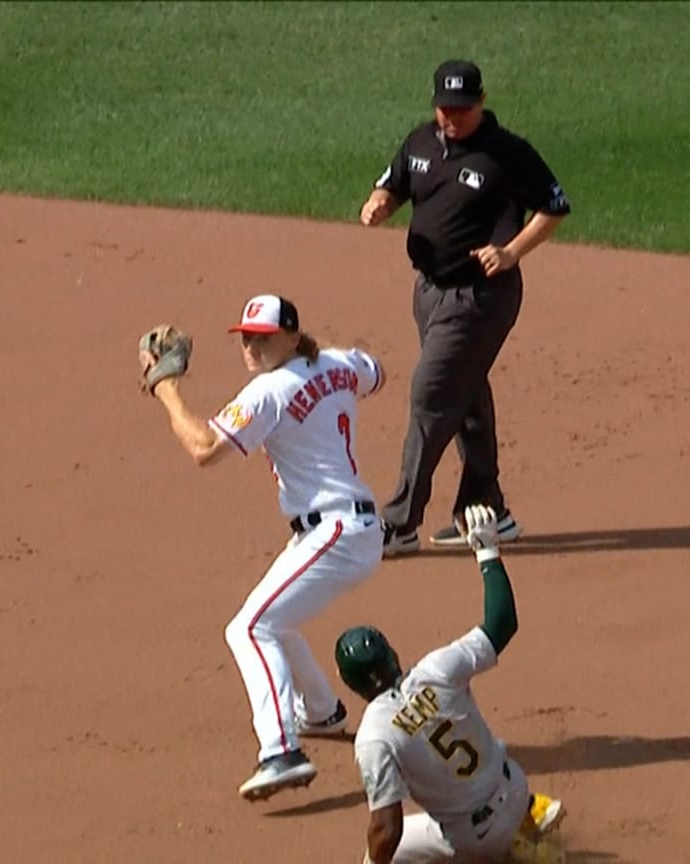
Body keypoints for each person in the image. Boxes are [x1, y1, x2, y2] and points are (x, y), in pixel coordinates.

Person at [139, 294, 388, 802]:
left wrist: (165, 388)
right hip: (346, 530)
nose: (251, 346)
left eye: (264, 337)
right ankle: (320, 710)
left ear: (292, 336)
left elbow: (203, 450)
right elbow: (375, 371)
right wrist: (327, 367)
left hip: (336, 534)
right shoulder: (337, 362)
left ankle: (280, 750)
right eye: (246, 337)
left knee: (250, 627)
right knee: (274, 617)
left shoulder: (267, 391)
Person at [359, 59, 571, 557]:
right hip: (429, 292)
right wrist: (380, 205)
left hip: (481, 297)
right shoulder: (421, 142)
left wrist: (512, 251)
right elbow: (393, 185)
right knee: (465, 392)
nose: (451, 117)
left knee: (431, 393)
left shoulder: (508, 153)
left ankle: (399, 523)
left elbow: (554, 206)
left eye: (462, 108)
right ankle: (488, 508)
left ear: (481, 102)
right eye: (444, 108)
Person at [334, 505, 567, 863]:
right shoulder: (438, 669)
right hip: (517, 792)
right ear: (392, 655)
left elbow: (387, 827)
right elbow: (502, 623)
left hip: (476, 837)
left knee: (378, 852)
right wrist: (488, 550)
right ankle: (525, 829)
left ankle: (509, 851)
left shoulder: (374, 735)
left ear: (348, 683)